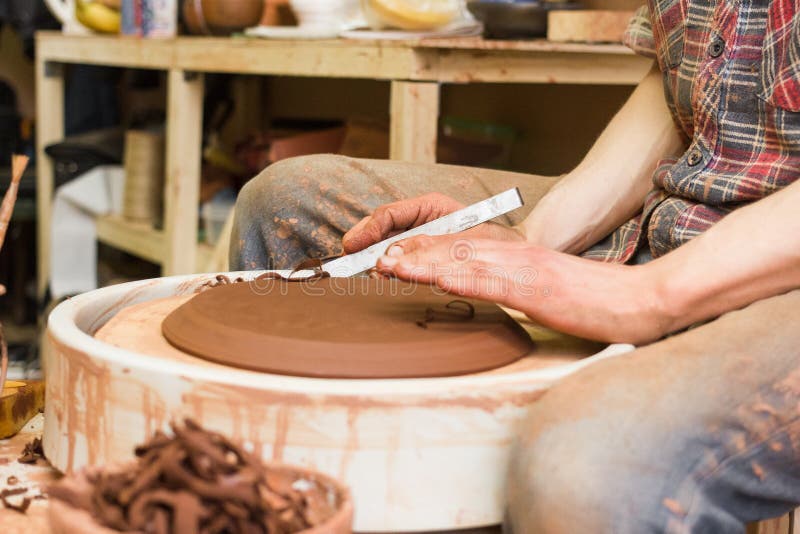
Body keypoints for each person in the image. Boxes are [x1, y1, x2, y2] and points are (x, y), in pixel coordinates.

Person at [230, 0, 800, 531]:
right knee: (287, 201)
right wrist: (532, 238)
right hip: (679, 207)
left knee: (584, 463)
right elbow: (689, 83)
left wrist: (648, 295)